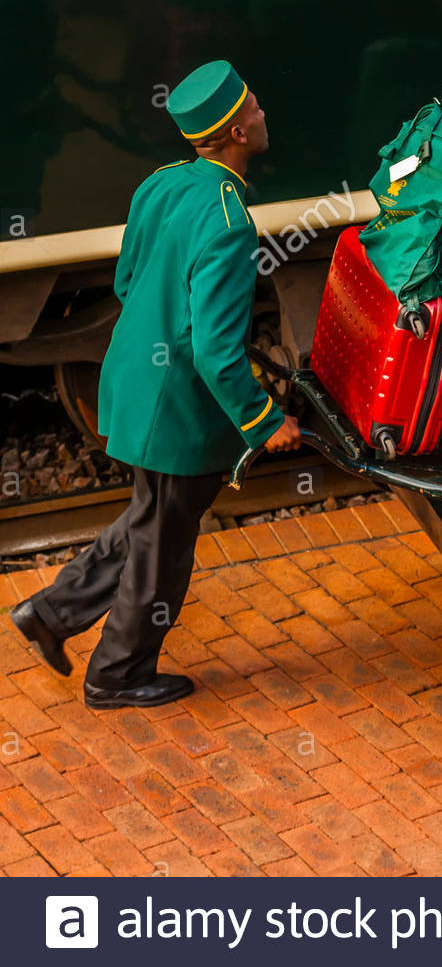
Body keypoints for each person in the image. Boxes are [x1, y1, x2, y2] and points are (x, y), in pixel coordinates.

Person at [11, 61, 301, 710]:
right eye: (253, 109)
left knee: (151, 522)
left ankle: (50, 615)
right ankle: (117, 674)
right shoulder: (229, 222)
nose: (262, 115)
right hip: (177, 412)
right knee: (163, 552)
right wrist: (264, 422)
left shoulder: (162, 184)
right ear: (232, 132)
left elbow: (126, 282)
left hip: (136, 379)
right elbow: (216, 352)